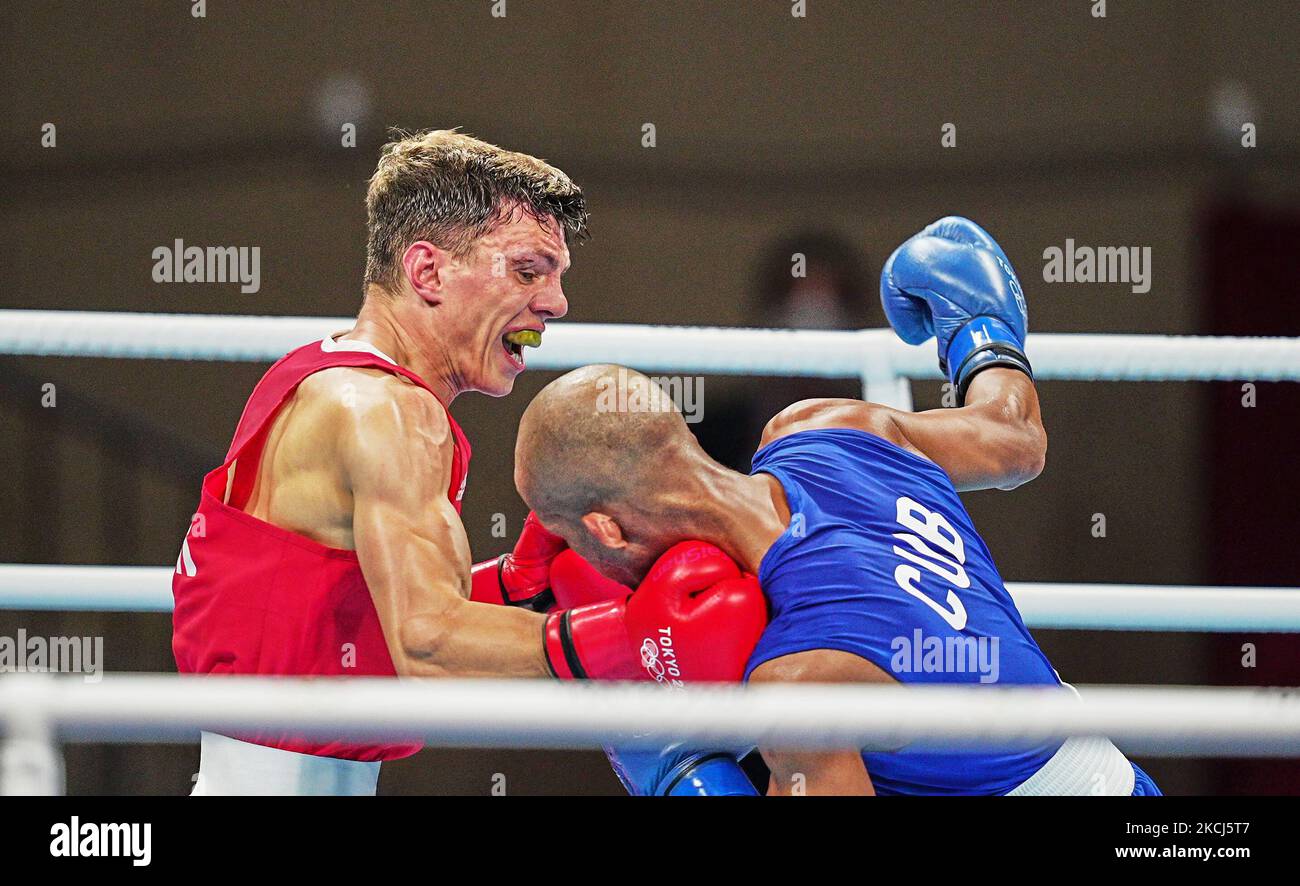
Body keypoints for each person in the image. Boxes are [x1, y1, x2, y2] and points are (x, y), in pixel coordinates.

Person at [171, 129, 764, 795]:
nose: (556, 303)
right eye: (527, 271)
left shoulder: (320, 373)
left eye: (557, 276)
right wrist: (630, 639)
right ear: (428, 272)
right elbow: (425, 644)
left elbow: (356, 608)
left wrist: (510, 585)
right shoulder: (389, 415)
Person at [514, 217, 1162, 796]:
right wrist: (978, 332)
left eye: (573, 542)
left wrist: (680, 775)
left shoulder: (795, 683)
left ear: (606, 529)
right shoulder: (824, 428)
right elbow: (1017, 440)